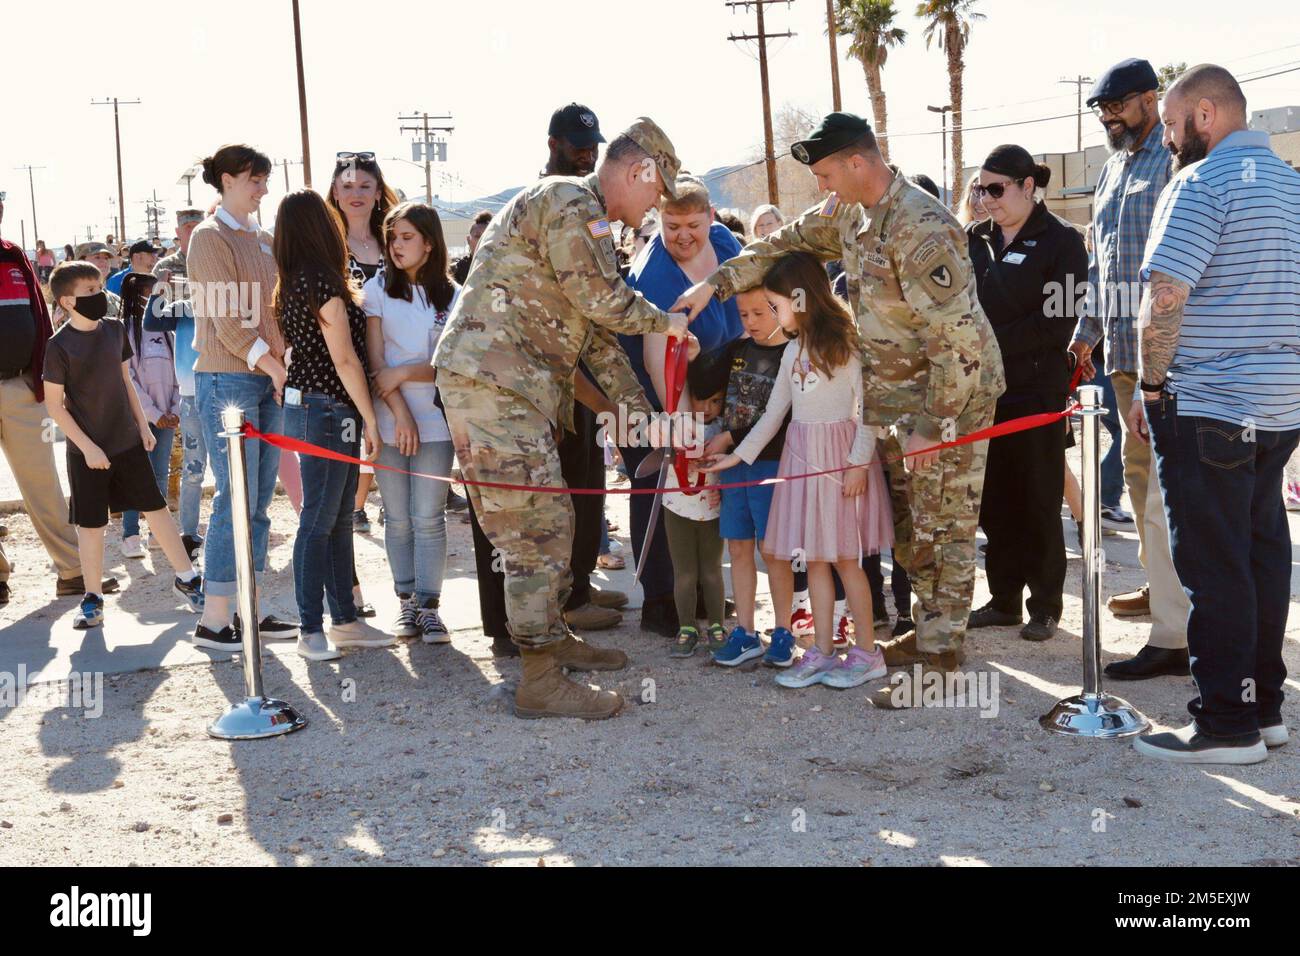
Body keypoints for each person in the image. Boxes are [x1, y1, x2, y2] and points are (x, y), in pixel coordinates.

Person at [673, 112, 1005, 708]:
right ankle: (928, 637)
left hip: (946, 402)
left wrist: (935, 425)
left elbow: (958, 343)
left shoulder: (921, 226)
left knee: (944, 528)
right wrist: (715, 285)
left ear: (858, 162)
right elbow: (785, 242)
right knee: (909, 530)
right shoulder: (852, 214)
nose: (822, 186)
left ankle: (942, 662)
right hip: (890, 405)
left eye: (827, 173)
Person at [434, 117, 692, 720]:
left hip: (512, 386)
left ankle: (552, 642)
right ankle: (539, 679)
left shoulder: (586, 218)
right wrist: (667, 322)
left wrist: (646, 418)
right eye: (656, 192)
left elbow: (597, 337)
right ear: (639, 172)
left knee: (553, 520)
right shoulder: (569, 200)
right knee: (533, 531)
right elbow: (606, 304)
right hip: (493, 381)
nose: (653, 207)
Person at [1126, 66, 1300, 763]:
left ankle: (1227, 725)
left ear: (1205, 115)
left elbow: (1164, 297)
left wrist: (1151, 388)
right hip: (1281, 405)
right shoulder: (1293, 185)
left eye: (1170, 124)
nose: (1166, 140)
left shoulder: (1200, 184)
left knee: (1214, 563)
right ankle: (1264, 709)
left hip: (1210, 404)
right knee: (1261, 554)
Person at [463, 103, 630, 647]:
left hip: (557, 377)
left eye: (593, 145)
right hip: (514, 382)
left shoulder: (585, 207)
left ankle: (567, 603)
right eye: (576, 144)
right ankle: (514, 633)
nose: (585, 152)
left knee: (568, 504)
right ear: (552, 143)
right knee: (519, 520)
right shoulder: (551, 203)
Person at [704, 252, 892, 689]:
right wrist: (736, 457)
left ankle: (867, 654)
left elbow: (870, 411)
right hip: (802, 461)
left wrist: (857, 465)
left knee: (848, 562)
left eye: (777, 305)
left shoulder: (848, 345)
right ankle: (823, 652)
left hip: (842, 464)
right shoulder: (792, 351)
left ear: (800, 299)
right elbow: (772, 414)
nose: (774, 314)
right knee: (818, 562)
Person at [1068, 57, 1189, 680]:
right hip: (1118, 353)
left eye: (1116, 105)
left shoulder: (1176, 162)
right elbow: (1101, 264)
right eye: (1101, 108)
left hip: (1164, 356)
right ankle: (1160, 584)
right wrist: (1085, 331)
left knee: (1166, 486)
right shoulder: (1112, 168)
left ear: (1150, 99)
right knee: (1142, 485)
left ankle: (1179, 621)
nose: (1108, 117)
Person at [965, 145, 1088, 641]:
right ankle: (1004, 599)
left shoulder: (1063, 241)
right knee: (994, 501)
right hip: (983, 392)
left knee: (1038, 499)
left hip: (1035, 392)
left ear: (1027, 186)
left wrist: (987, 344)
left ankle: (1046, 606)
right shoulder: (975, 239)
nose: (987, 199)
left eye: (996, 189)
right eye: (981, 189)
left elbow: (1056, 323)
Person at [42, 261, 204, 629]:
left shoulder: (115, 330)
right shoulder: (58, 346)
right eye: (90, 291)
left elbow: (126, 379)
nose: (100, 296)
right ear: (67, 301)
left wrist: (142, 425)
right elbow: (55, 407)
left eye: (100, 287)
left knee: (156, 508)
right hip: (87, 451)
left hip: (126, 442)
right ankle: (92, 596)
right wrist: (87, 447)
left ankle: (187, 577)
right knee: (91, 525)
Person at [620, 174, 744, 636]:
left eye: (692, 224)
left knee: (705, 495)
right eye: (672, 226)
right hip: (660, 397)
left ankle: (699, 589)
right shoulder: (656, 276)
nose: (683, 235)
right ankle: (660, 599)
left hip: (715, 384)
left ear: (710, 218)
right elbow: (658, 364)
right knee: (660, 487)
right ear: (659, 220)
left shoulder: (725, 241)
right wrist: (687, 426)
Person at [273, 188, 393, 660]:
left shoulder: (295, 281)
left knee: (337, 519)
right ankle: (312, 628)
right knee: (319, 522)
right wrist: (370, 419)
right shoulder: (321, 282)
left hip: (318, 408)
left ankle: (344, 620)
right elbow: (343, 359)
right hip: (327, 408)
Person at [188, 144, 297, 650]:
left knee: (256, 501)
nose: (264, 189)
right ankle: (214, 618)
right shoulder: (208, 238)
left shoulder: (265, 238)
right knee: (234, 497)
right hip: (228, 379)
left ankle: (248, 607)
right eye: (256, 179)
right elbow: (227, 321)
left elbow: (278, 310)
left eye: (265, 179)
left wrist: (283, 361)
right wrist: (274, 365)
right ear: (228, 179)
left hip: (267, 378)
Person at [0, 201, 118, 604]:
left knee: (44, 484)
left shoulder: (13, 257)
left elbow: (39, 316)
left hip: (21, 387)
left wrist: (45, 379)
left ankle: (73, 571)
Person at [364, 201, 458, 644]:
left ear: (429, 242)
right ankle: (405, 605)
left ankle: (430, 607)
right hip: (389, 420)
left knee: (430, 517)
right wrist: (400, 410)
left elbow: (451, 366)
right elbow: (376, 365)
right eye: (392, 238)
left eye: (406, 237)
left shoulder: (455, 295)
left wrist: (405, 372)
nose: (397, 246)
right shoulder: (377, 289)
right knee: (396, 518)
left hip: (438, 422)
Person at [694, 285, 795, 666]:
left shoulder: (792, 353)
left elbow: (780, 417)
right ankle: (747, 633)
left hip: (772, 464)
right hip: (735, 465)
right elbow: (704, 384)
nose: (750, 322)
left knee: (773, 552)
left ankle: (783, 630)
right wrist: (694, 353)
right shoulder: (738, 349)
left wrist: (730, 438)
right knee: (737, 546)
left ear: (778, 307)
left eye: (758, 313)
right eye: (744, 314)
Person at [327, 152, 397, 535]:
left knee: (396, 438)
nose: (357, 193)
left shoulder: (395, 239)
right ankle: (353, 509)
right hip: (343, 364)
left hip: (396, 360)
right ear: (335, 192)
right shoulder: (326, 243)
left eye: (365, 186)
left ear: (377, 192)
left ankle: (393, 501)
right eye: (348, 186)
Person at [661, 371, 727, 657]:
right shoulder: (673, 425)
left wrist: (722, 487)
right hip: (676, 506)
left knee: (712, 571)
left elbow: (731, 466)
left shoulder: (725, 431)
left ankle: (717, 626)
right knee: (685, 573)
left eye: (716, 401)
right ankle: (687, 627)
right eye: (700, 400)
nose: (707, 408)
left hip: (711, 509)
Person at [117, 272, 180, 560]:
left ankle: (158, 532)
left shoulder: (169, 332)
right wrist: (153, 415)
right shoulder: (127, 331)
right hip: (139, 419)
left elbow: (180, 373)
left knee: (160, 473)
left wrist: (174, 411)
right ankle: (131, 534)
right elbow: (127, 378)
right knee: (137, 474)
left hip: (168, 418)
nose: (159, 299)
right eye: (153, 293)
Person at [451, 210, 492, 285]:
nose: (482, 240)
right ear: (468, 240)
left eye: (486, 236)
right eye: (477, 236)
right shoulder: (456, 270)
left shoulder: (501, 268)